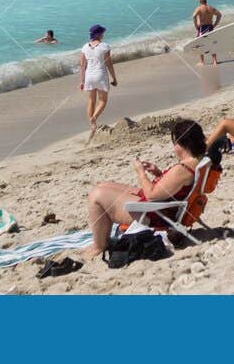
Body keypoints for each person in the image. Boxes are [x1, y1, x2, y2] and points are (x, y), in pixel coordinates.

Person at [83, 119, 219, 257]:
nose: (174, 147)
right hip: (166, 207)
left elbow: (151, 195)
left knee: (96, 194)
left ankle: (99, 246)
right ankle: (102, 238)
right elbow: (176, 188)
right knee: (104, 185)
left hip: (155, 215)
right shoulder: (196, 162)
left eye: (175, 143)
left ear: (182, 144)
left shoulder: (182, 169)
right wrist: (158, 173)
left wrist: (140, 172)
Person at [79, 24, 117, 139]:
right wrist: (114, 78)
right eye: (102, 33)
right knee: (103, 101)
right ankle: (94, 118)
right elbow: (108, 64)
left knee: (91, 100)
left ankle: (92, 125)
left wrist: (82, 81)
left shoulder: (85, 47)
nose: (103, 35)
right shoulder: (105, 46)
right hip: (100, 75)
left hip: (89, 76)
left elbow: (82, 66)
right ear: (99, 34)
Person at [191, 0, 222, 66]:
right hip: (210, 27)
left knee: (199, 44)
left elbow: (193, 16)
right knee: (211, 43)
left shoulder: (199, 8)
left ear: (199, 1)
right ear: (206, 1)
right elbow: (219, 15)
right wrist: (215, 24)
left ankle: (202, 62)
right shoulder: (210, 8)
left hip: (202, 28)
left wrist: (196, 25)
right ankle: (214, 61)